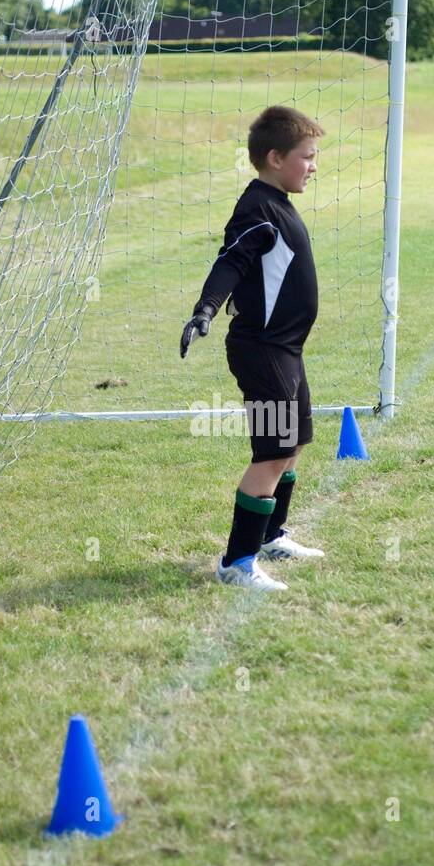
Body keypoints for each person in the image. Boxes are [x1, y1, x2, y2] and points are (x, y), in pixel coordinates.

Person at [181, 105, 326, 591]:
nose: (313, 164)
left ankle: (270, 535)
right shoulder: (256, 208)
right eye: (306, 156)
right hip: (262, 350)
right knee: (272, 451)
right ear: (274, 157)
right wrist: (204, 310)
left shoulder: (278, 202)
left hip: (287, 349)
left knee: (295, 442)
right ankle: (237, 563)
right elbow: (231, 261)